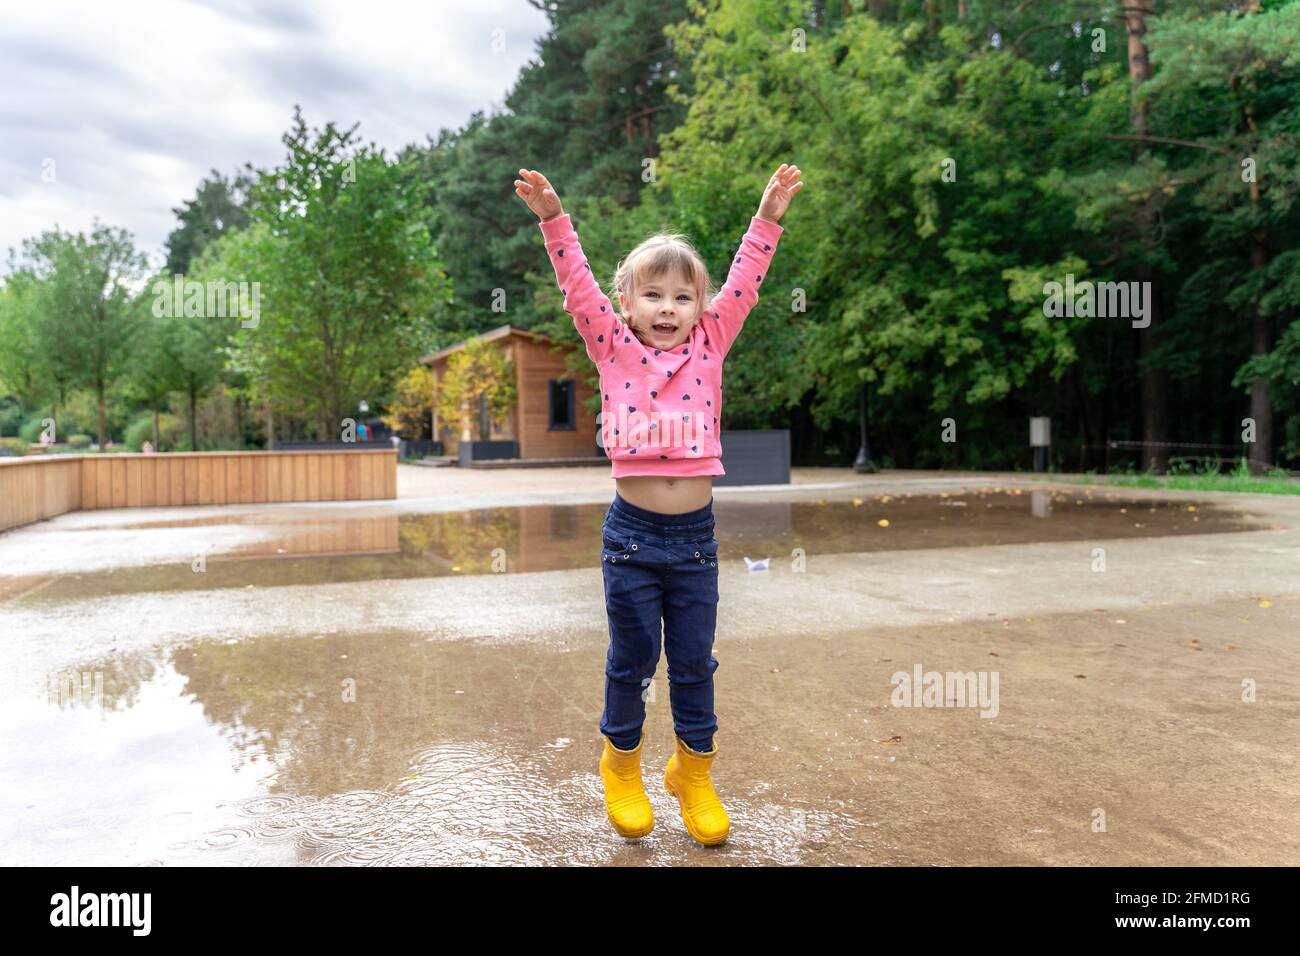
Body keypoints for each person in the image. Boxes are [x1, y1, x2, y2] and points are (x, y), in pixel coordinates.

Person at [515, 163, 803, 845]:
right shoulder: (612, 348)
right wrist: (555, 220)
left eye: (682, 297)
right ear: (628, 304)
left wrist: (768, 216)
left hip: (696, 541)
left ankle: (693, 773)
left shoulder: (712, 343)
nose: (669, 308)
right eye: (653, 296)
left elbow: (745, 285)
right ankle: (621, 765)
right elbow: (577, 290)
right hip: (633, 540)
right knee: (633, 657)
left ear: (700, 309)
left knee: (696, 661)